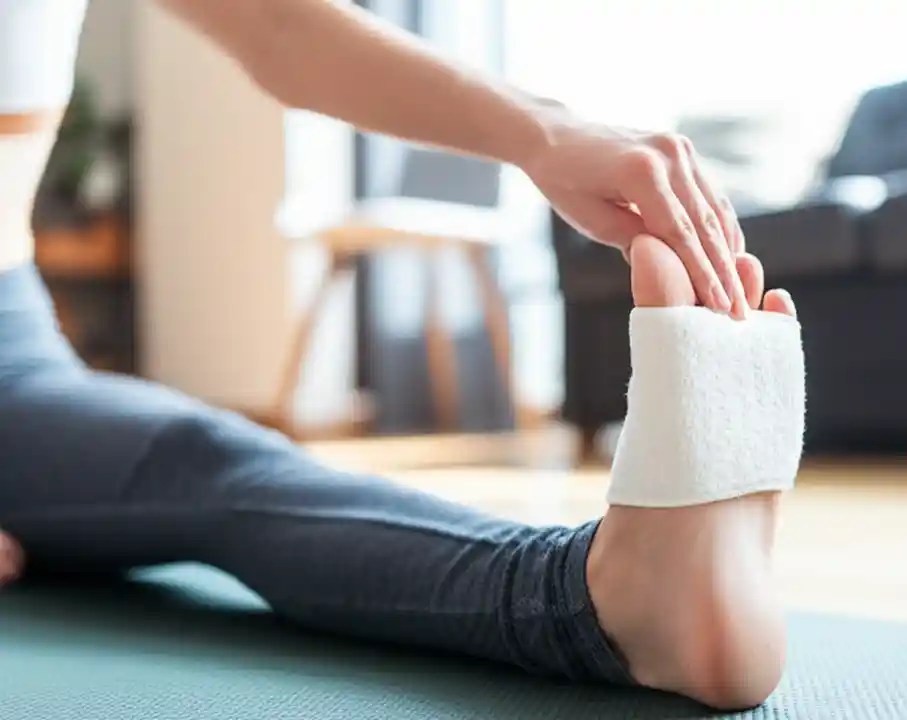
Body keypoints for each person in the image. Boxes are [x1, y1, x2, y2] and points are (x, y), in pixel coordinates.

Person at [0, 0, 797, 710]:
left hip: (15, 348)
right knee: (207, 472)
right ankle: (600, 604)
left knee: (214, 462)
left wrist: (547, 133)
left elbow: (280, 25)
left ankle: (633, 594)